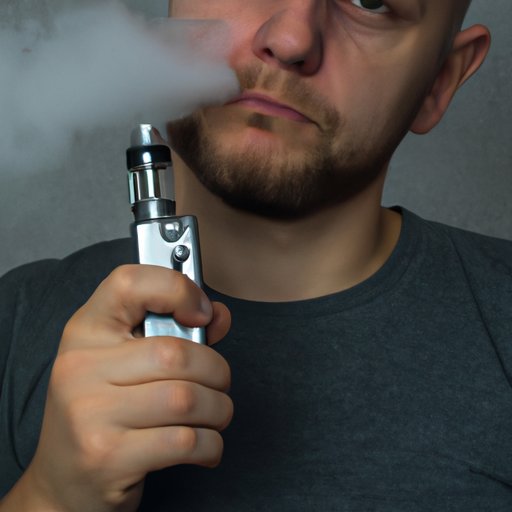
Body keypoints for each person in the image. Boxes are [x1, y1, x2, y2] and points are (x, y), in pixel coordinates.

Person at [1, 0, 511, 510]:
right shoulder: (15, 319)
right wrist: (49, 497)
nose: (290, 41)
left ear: (440, 80)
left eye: (370, 2)